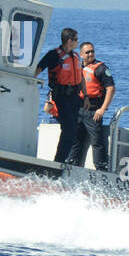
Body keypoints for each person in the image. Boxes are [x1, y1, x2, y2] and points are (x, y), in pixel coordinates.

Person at [35, 28, 83, 163]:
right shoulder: (53, 55)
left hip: (75, 97)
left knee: (73, 130)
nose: (78, 42)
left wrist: (84, 96)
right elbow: (38, 69)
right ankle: (59, 161)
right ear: (69, 41)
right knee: (69, 128)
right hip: (61, 96)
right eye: (76, 40)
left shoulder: (76, 56)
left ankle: (63, 159)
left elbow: (81, 77)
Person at [73, 42, 115, 169]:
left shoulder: (100, 68)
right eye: (87, 52)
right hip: (78, 109)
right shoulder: (76, 67)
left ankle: (101, 168)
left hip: (93, 111)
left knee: (97, 142)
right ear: (81, 54)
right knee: (75, 141)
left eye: (92, 51)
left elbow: (111, 89)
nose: (90, 54)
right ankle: (72, 165)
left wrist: (102, 109)